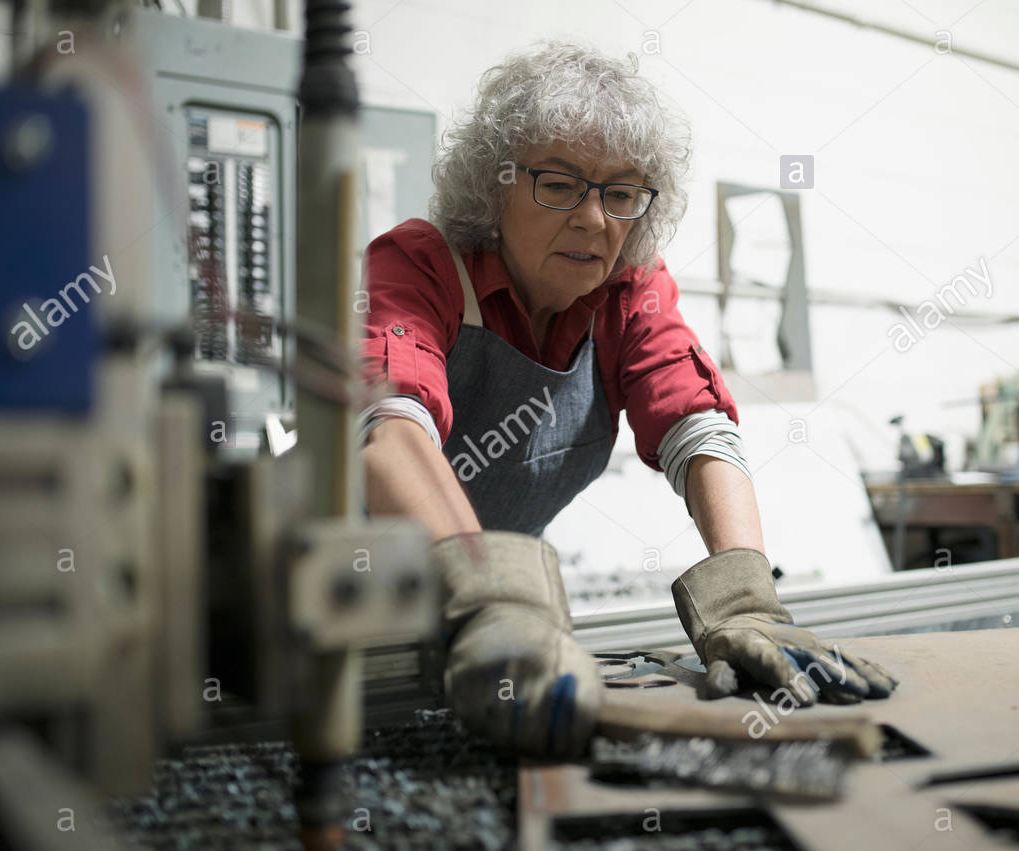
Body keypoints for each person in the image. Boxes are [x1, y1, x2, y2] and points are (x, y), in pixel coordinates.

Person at [359, 42, 896, 758]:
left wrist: (744, 599)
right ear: (495, 186)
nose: (594, 220)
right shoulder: (418, 265)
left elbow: (699, 429)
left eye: (620, 193)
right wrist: (494, 599)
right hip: (335, 621)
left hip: (484, 637)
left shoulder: (627, 290)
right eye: (559, 184)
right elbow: (390, 427)